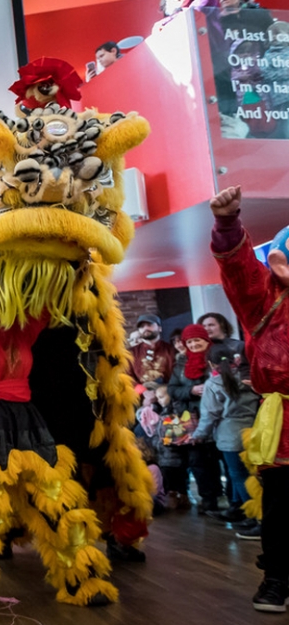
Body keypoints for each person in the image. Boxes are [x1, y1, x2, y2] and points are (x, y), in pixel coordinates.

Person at [210, 185, 289, 612]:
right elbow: (240, 270)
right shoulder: (265, 301)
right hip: (284, 424)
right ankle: (277, 579)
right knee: (280, 509)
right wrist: (227, 224)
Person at [195, 343, 259, 526]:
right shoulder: (247, 378)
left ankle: (255, 516)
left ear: (210, 364)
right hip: (252, 431)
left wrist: (198, 435)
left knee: (239, 476)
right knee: (245, 474)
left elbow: (209, 414)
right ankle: (237, 508)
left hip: (229, 436)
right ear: (235, 360)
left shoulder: (213, 383)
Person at [165, 324, 224, 512]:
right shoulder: (180, 364)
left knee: (221, 459)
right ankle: (208, 500)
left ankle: (232, 500)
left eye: (197, 340)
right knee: (198, 462)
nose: (193, 344)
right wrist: (191, 390)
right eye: (189, 341)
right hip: (191, 419)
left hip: (218, 417)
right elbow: (172, 389)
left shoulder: (217, 359)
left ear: (206, 340)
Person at [129, 314, 175, 389]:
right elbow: (127, 377)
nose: (146, 328)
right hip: (142, 397)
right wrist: (144, 393)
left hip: (169, 395)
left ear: (160, 328)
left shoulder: (172, 350)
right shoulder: (131, 353)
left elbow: (178, 377)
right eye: (142, 326)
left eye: (149, 324)